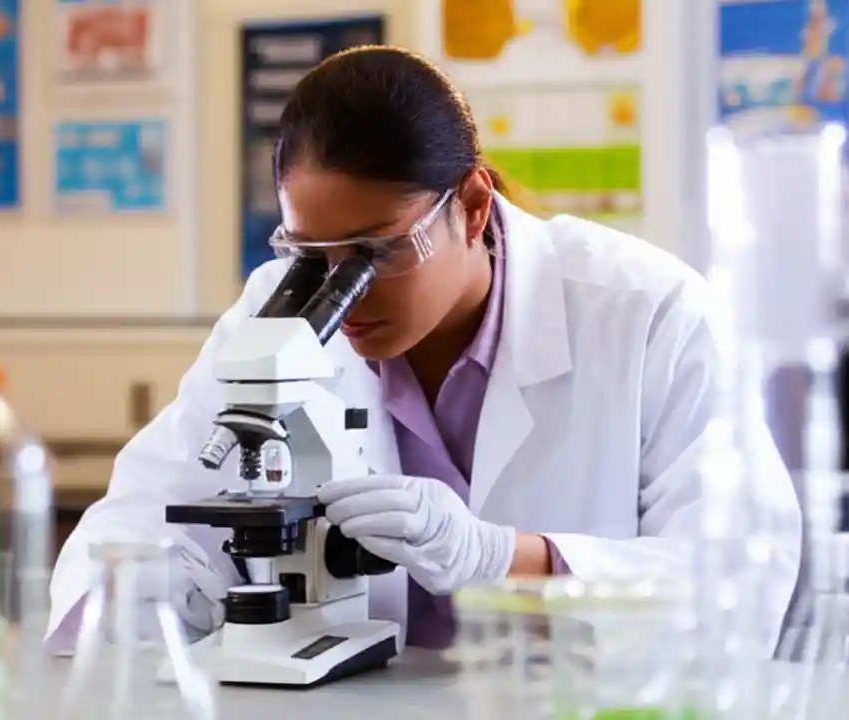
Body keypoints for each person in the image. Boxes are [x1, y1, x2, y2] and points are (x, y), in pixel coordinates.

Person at [47, 46, 801, 653]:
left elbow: (738, 584)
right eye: (312, 255)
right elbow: (134, 521)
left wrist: (497, 559)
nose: (344, 295)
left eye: (376, 251)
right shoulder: (272, 312)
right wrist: (148, 594)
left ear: (471, 207)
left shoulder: (647, 313)